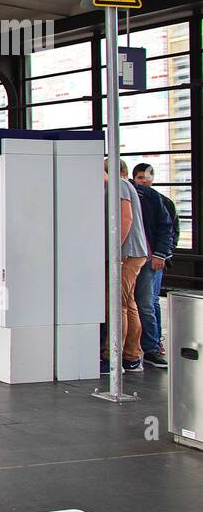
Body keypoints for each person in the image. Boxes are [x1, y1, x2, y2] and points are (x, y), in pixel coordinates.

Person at [103, 159, 149, 374]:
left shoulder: (118, 185)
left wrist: (113, 250)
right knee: (128, 303)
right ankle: (131, 356)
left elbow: (126, 218)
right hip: (133, 253)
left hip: (126, 254)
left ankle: (112, 357)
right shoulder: (125, 185)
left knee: (116, 304)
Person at [131, 163, 174, 369]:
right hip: (138, 257)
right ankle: (143, 345)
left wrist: (161, 254)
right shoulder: (138, 195)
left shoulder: (156, 199)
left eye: (147, 177)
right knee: (141, 302)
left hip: (148, 258)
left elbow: (168, 227)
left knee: (147, 302)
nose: (144, 180)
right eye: (140, 177)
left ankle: (151, 346)